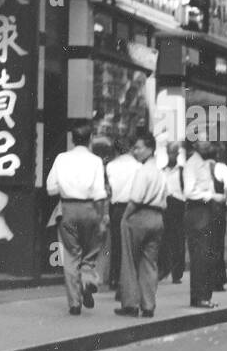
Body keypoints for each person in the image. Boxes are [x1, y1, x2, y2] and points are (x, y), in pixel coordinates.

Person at [46, 123, 108, 315]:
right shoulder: (96, 161)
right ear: (90, 139)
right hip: (90, 209)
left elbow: (50, 188)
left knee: (71, 255)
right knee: (90, 251)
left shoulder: (61, 158)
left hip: (67, 209)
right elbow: (99, 192)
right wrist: (101, 217)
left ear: (72, 140)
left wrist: (66, 187)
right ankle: (88, 279)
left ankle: (74, 303)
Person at [115, 129, 166, 318]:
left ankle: (130, 304)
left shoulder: (143, 172)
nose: (135, 151)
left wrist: (124, 218)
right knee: (150, 263)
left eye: (138, 148)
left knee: (129, 261)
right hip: (157, 217)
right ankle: (149, 305)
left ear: (150, 149)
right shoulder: (160, 173)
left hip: (139, 216)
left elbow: (135, 199)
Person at [183, 134, 227, 308]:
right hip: (198, 211)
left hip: (207, 211)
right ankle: (200, 296)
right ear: (194, 144)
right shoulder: (191, 165)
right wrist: (212, 196)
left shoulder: (205, 163)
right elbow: (189, 192)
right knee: (201, 255)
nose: (207, 143)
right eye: (202, 140)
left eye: (208, 140)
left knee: (207, 254)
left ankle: (204, 296)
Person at [105, 141, 140, 290]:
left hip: (117, 207)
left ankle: (115, 278)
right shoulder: (139, 166)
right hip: (133, 207)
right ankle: (129, 280)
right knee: (131, 245)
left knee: (117, 244)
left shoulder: (111, 166)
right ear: (130, 148)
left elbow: (110, 188)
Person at [159, 143, 186, 284]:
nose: (171, 155)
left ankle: (177, 273)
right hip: (165, 206)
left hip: (178, 205)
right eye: (169, 152)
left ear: (178, 154)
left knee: (178, 240)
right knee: (164, 240)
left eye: (174, 152)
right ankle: (164, 269)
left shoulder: (182, 171)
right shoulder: (162, 171)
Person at [210, 144, 227, 291]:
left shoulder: (202, 168)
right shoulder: (222, 168)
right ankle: (217, 280)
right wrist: (225, 201)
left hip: (206, 209)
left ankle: (210, 279)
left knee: (209, 245)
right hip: (217, 210)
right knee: (217, 245)